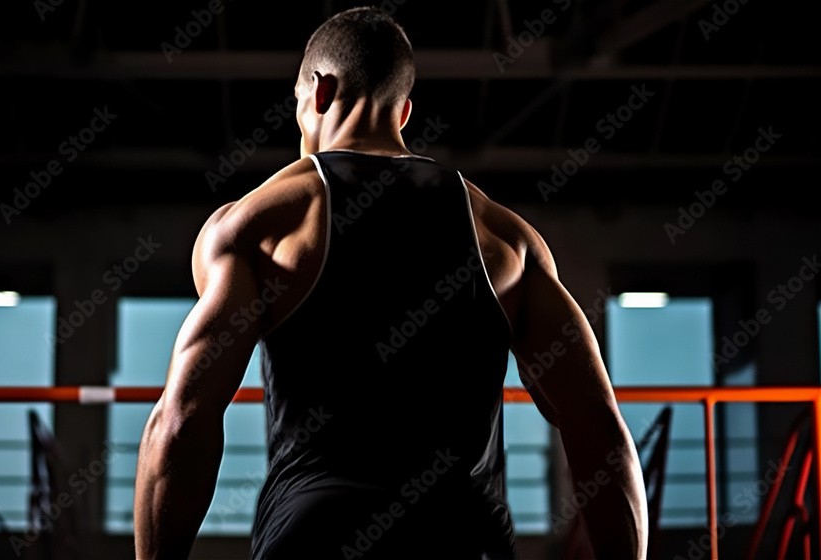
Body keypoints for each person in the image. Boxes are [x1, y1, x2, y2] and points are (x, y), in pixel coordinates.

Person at [133, 7, 647, 560]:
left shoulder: (259, 224)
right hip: (464, 540)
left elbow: (183, 417)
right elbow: (598, 425)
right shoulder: (504, 237)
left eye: (298, 110)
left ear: (320, 91)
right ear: (403, 112)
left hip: (314, 539)